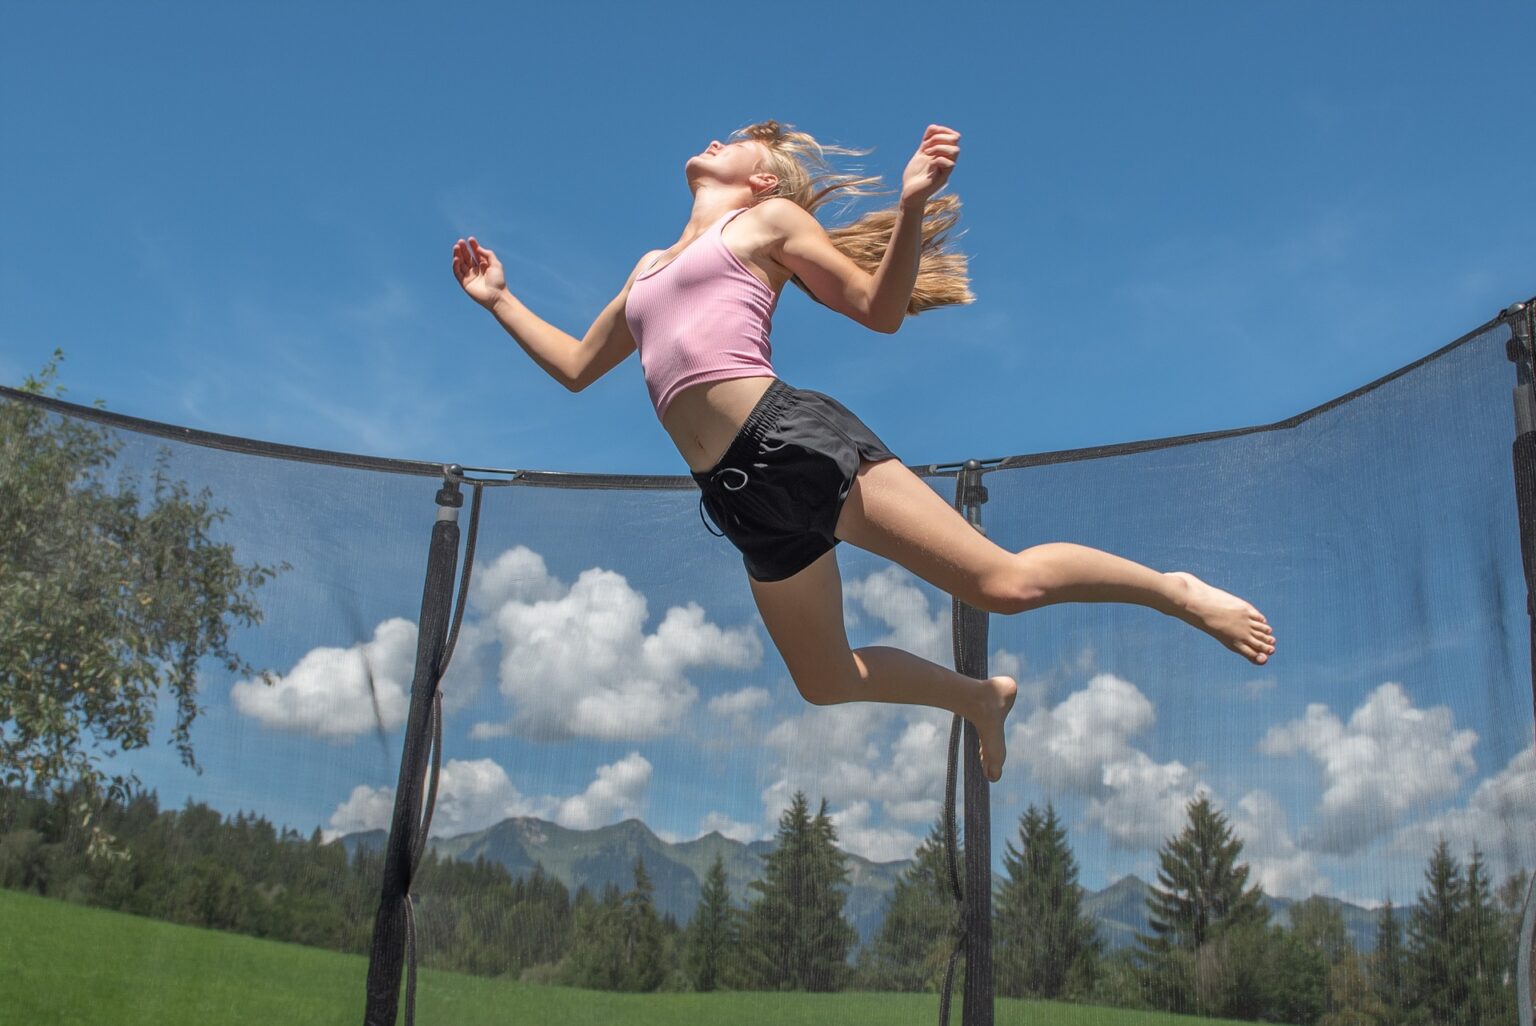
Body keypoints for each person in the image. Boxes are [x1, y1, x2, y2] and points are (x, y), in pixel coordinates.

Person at [451, 120, 1275, 782]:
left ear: (762, 178)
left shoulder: (765, 222)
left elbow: (878, 313)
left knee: (1003, 584)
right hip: (738, 499)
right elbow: (574, 369)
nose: (715, 139)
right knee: (825, 680)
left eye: (736, 140)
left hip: (793, 443)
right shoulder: (647, 268)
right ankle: (979, 699)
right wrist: (499, 299)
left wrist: (913, 205)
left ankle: (1176, 592)